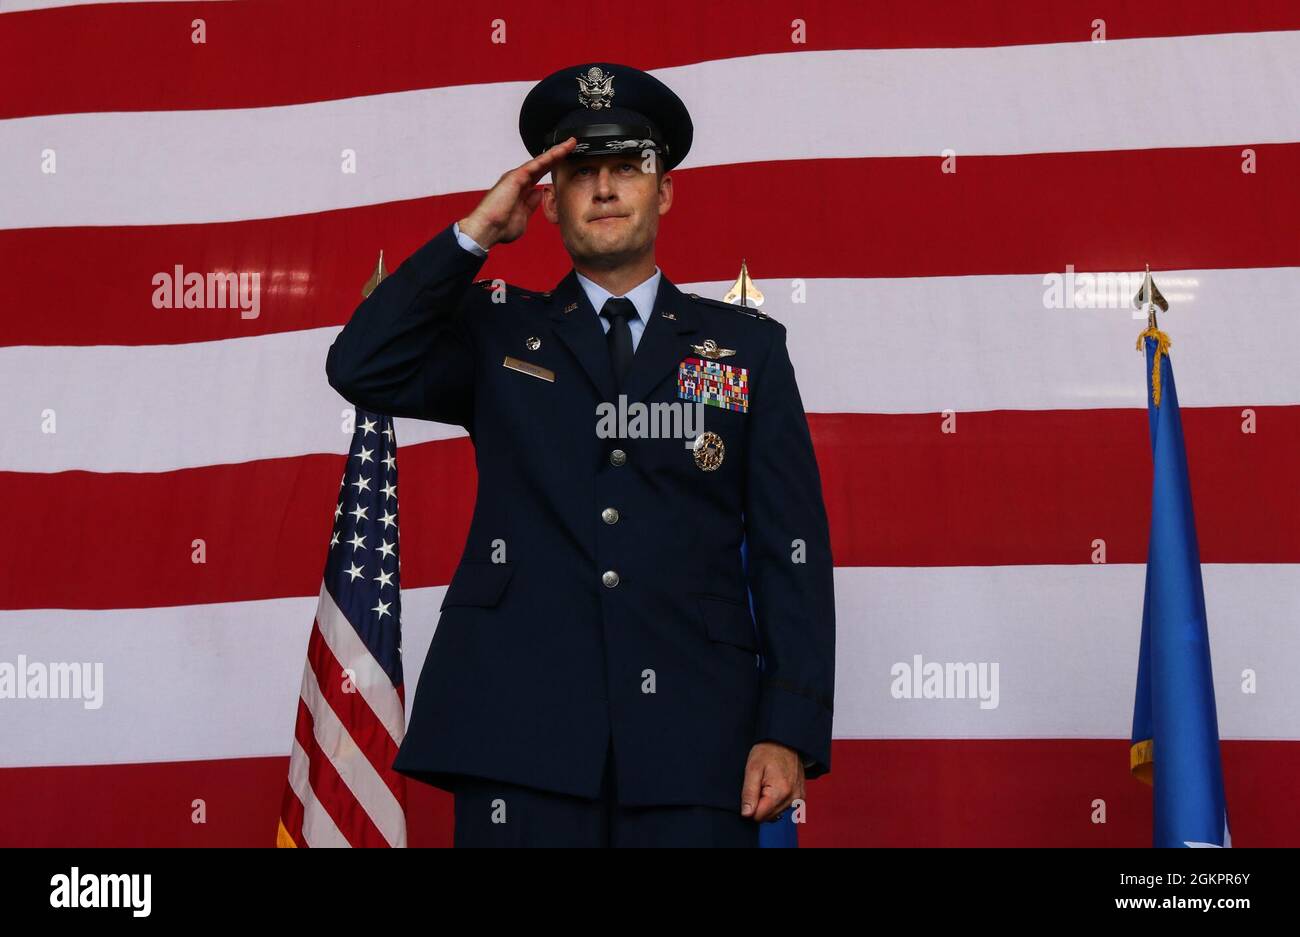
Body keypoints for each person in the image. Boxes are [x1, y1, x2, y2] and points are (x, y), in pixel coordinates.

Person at [326, 62, 835, 847]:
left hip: (697, 738)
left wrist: (788, 728)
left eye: (628, 167)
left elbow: (789, 551)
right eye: (580, 172)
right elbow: (360, 365)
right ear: (550, 200)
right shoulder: (495, 330)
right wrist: (476, 234)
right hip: (518, 732)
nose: (604, 188)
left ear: (662, 190)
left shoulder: (746, 349)